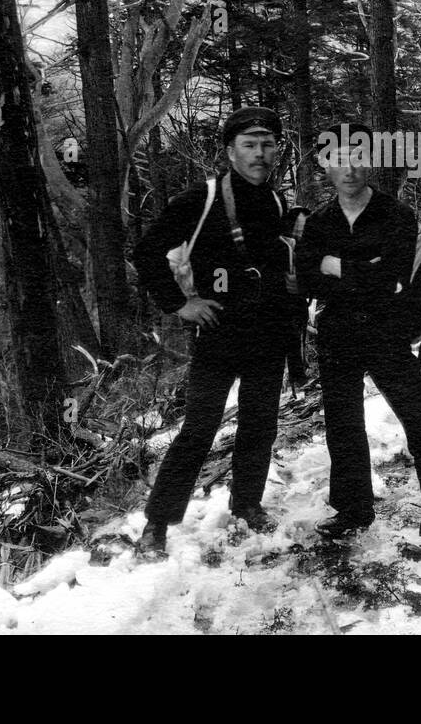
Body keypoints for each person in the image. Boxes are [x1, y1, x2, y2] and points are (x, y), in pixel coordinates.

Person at [297, 124, 421, 577]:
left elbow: (393, 276)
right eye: (338, 158)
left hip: (385, 331)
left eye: (358, 156)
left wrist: (336, 265)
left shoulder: (395, 215)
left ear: (373, 160)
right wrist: (361, 272)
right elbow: (308, 280)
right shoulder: (319, 222)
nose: (349, 168)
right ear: (325, 164)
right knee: (343, 424)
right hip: (336, 334)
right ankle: (354, 508)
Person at [132, 107, 296, 558]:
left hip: (268, 332)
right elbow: (145, 252)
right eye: (249, 144)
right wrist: (180, 303)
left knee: (260, 424)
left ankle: (246, 506)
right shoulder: (199, 200)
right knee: (199, 429)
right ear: (230, 151)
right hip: (219, 332)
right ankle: (156, 525)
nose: (259, 153)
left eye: (267, 144)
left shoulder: (275, 200)